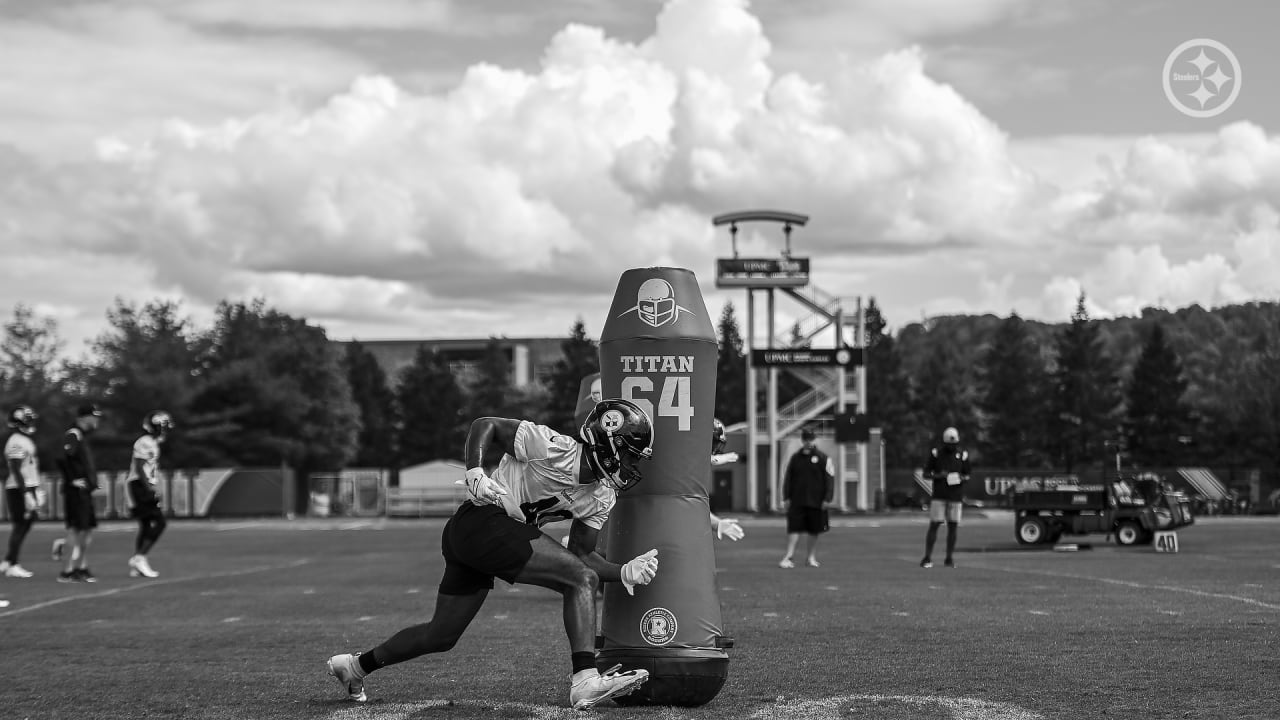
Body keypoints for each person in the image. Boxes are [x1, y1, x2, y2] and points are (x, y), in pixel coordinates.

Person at [326, 399, 660, 710]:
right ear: (608, 443)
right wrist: (475, 471)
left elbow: (582, 553)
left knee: (441, 635)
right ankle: (584, 678)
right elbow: (485, 425)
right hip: (482, 519)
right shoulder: (554, 447)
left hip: (483, 535)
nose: (632, 466)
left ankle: (355, 666)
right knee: (580, 580)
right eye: (630, 455)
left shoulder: (602, 495)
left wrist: (622, 572)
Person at [55, 403, 103, 583]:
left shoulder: (81, 436)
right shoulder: (74, 434)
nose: (96, 419)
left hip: (84, 491)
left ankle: (81, 567)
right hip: (76, 492)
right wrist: (72, 480)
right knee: (76, 529)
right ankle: (67, 570)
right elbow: (62, 457)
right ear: (84, 417)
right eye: (94, 416)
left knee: (86, 529)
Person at [126, 410, 173, 579]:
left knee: (146, 525)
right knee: (160, 523)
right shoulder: (144, 442)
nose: (165, 430)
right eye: (163, 427)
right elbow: (139, 467)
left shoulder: (152, 442)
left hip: (143, 484)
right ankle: (140, 557)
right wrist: (148, 488)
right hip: (140, 485)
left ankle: (138, 563)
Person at [779, 428, 834, 569]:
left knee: (814, 529)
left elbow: (829, 479)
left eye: (810, 439)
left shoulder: (823, 458)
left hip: (816, 501)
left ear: (814, 440)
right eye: (806, 439)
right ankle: (789, 556)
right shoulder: (795, 458)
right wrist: (786, 497)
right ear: (802, 440)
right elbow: (788, 479)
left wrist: (827, 498)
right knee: (794, 528)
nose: (808, 442)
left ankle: (811, 557)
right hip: (797, 500)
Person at [920, 426, 971, 569]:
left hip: (955, 495)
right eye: (949, 444)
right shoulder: (936, 454)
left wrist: (961, 478)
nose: (952, 446)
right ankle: (927, 556)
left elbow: (968, 474)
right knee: (935, 524)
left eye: (954, 444)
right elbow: (926, 473)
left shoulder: (962, 455)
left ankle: (949, 558)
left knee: (953, 526)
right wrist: (939, 475)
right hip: (940, 495)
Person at [1, 406, 42, 579]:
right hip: (18, 487)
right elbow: (16, 470)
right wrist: (26, 493)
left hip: (27, 486)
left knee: (27, 522)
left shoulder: (24, 439)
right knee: (20, 524)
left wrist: (36, 489)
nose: (31, 423)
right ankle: (13, 564)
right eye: (28, 420)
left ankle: (9, 560)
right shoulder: (16, 441)